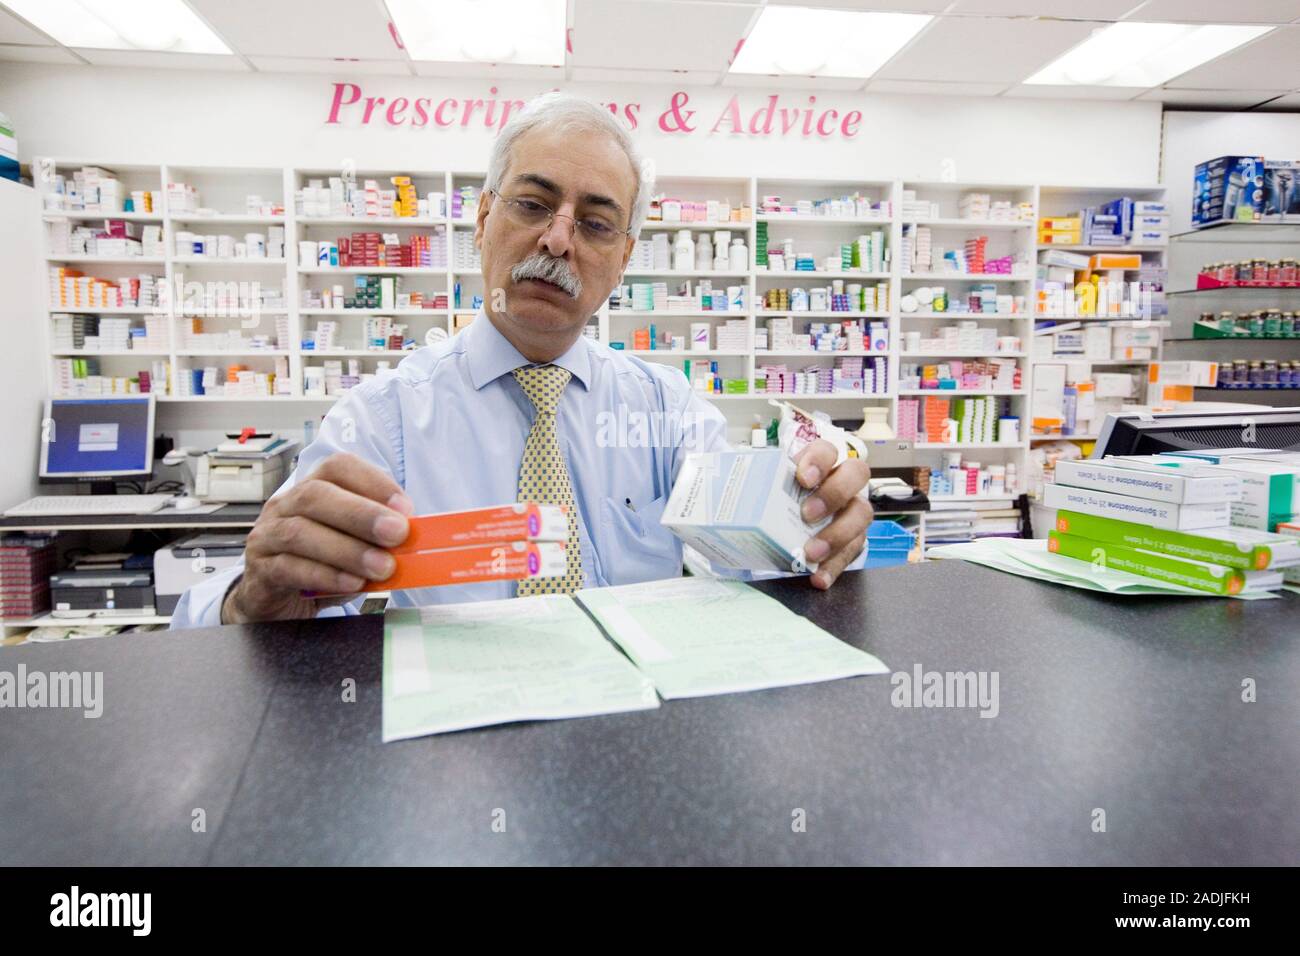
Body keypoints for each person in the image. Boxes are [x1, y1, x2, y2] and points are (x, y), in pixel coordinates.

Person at [171, 92, 871, 627]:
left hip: (637, 748)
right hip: (454, 762)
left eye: (596, 223)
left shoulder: (668, 410)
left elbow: (757, 569)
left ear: (624, 258)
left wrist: (817, 524)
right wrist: (251, 599)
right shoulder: (382, 421)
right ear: (482, 221)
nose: (558, 240)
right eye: (534, 204)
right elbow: (226, 614)